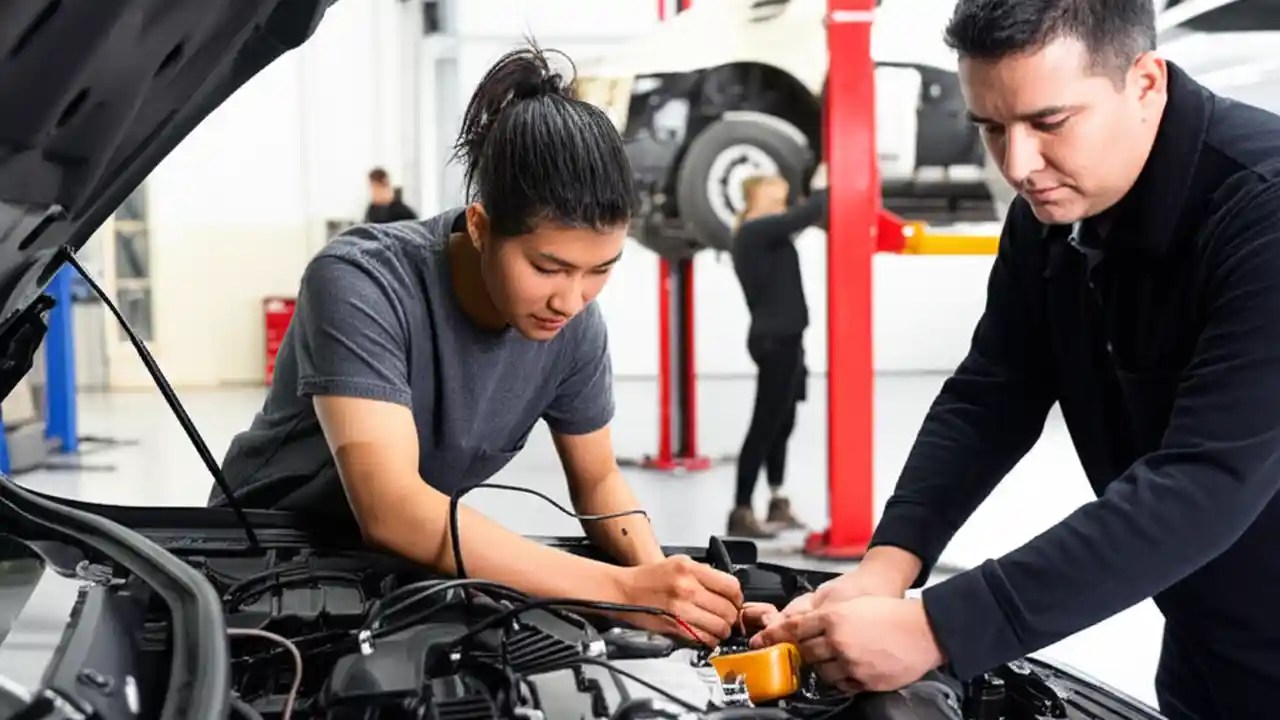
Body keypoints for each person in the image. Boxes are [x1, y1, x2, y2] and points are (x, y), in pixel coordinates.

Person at [750, 0, 1280, 716]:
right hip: (1207, 634)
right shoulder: (1054, 210)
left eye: (1049, 123)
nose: (1018, 165)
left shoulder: (1263, 212)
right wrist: (887, 567)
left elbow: (1204, 480)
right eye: (992, 128)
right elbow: (993, 391)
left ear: (1146, 82)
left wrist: (939, 627)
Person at [209, 43, 743, 646]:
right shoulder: (362, 281)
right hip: (259, 560)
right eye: (548, 267)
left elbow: (597, 482)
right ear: (482, 227)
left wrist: (665, 588)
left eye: (600, 270)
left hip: (398, 571)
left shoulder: (574, 328)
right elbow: (392, 509)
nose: (571, 299)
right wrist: (619, 593)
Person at [727, 175, 828, 538]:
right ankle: (740, 510)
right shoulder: (754, 231)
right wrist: (824, 183)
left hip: (788, 340)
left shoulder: (768, 233)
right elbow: (807, 214)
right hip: (775, 341)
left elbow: (799, 220)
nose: (785, 203)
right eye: (780, 196)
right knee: (765, 425)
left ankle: (776, 500)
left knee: (783, 423)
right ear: (760, 197)